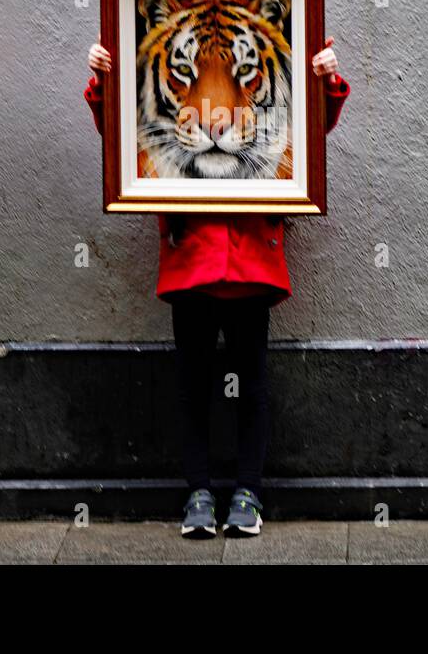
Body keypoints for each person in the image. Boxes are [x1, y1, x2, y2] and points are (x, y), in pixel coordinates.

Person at [85, 33, 348, 538]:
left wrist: (324, 80)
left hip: (251, 258)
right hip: (193, 258)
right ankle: (199, 491)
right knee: (193, 385)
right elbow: (122, 135)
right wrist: (104, 81)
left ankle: (248, 490)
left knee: (253, 382)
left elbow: (314, 127)